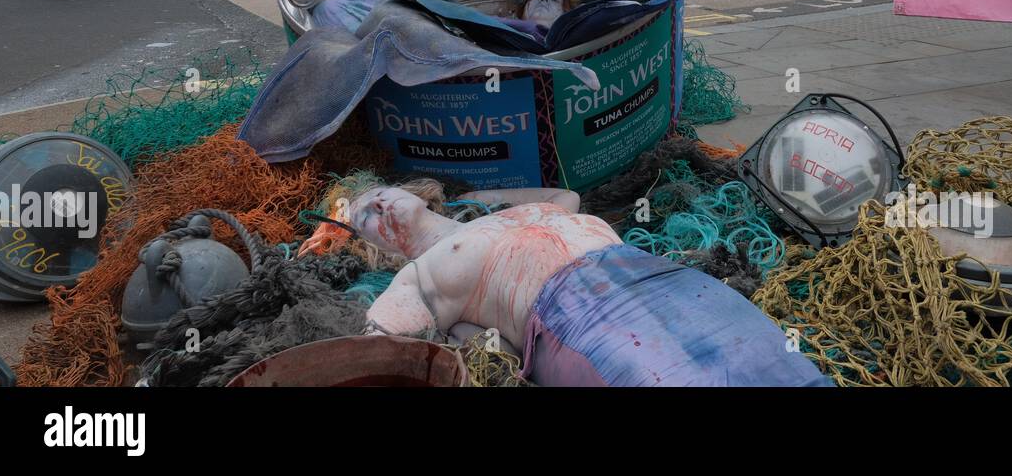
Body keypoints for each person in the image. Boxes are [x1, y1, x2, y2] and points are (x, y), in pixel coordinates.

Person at [351, 186, 832, 387]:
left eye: (376, 196)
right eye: (364, 218)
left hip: (655, 276)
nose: (377, 208)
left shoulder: (515, 210)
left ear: (411, 189)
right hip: (574, 314)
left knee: (769, 357)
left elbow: (564, 194)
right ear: (376, 246)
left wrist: (476, 200)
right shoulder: (417, 274)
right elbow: (378, 347)